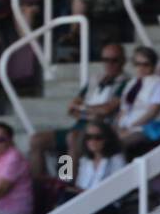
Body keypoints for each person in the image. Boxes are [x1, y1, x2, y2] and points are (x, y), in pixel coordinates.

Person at [27, 44, 127, 177]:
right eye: (105, 60)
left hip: (100, 131)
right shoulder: (94, 80)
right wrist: (92, 112)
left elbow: (107, 110)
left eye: (114, 60)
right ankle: (39, 190)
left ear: (123, 61)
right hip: (79, 126)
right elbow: (71, 109)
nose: (109, 64)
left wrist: (84, 109)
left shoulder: (126, 82)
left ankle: (66, 181)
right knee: (37, 140)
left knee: (72, 138)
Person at [115, 47, 160, 152]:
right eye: (137, 64)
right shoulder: (131, 83)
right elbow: (123, 110)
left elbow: (153, 112)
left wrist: (131, 128)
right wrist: (118, 127)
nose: (141, 68)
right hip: (126, 126)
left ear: (153, 65)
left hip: (145, 129)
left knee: (117, 145)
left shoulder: (159, 83)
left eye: (145, 64)